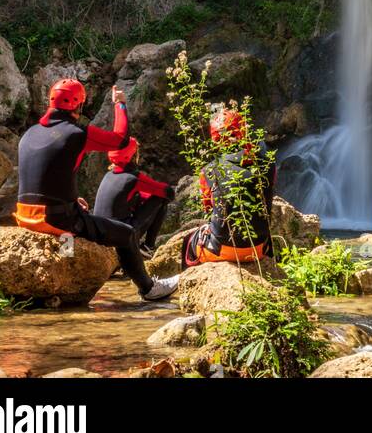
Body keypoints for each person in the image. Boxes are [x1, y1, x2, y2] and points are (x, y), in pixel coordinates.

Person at [15, 79, 178, 302]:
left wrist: (72, 199)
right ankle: (148, 289)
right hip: (56, 218)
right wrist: (120, 104)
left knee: (70, 231)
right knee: (126, 234)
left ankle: (61, 284)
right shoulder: (75, 133)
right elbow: (120, 139)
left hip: (25, 215)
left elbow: (42, 178)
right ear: (78, 106)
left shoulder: (30, 133)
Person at [183, 109, 275, 267]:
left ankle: (187, 285)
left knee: (188, 241)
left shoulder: (209, 169)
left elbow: (208, 207)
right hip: (259, 248)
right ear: (243, 132)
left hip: (221, 249)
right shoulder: (268, 165)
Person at [92, 136, 175, 258]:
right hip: (121, 237)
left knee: (139, 198)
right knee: (161, 198)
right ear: (132, 155)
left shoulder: (108, 175)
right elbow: (168, 192)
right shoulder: (133, 178)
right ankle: (148, 247)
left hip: (100, 234)